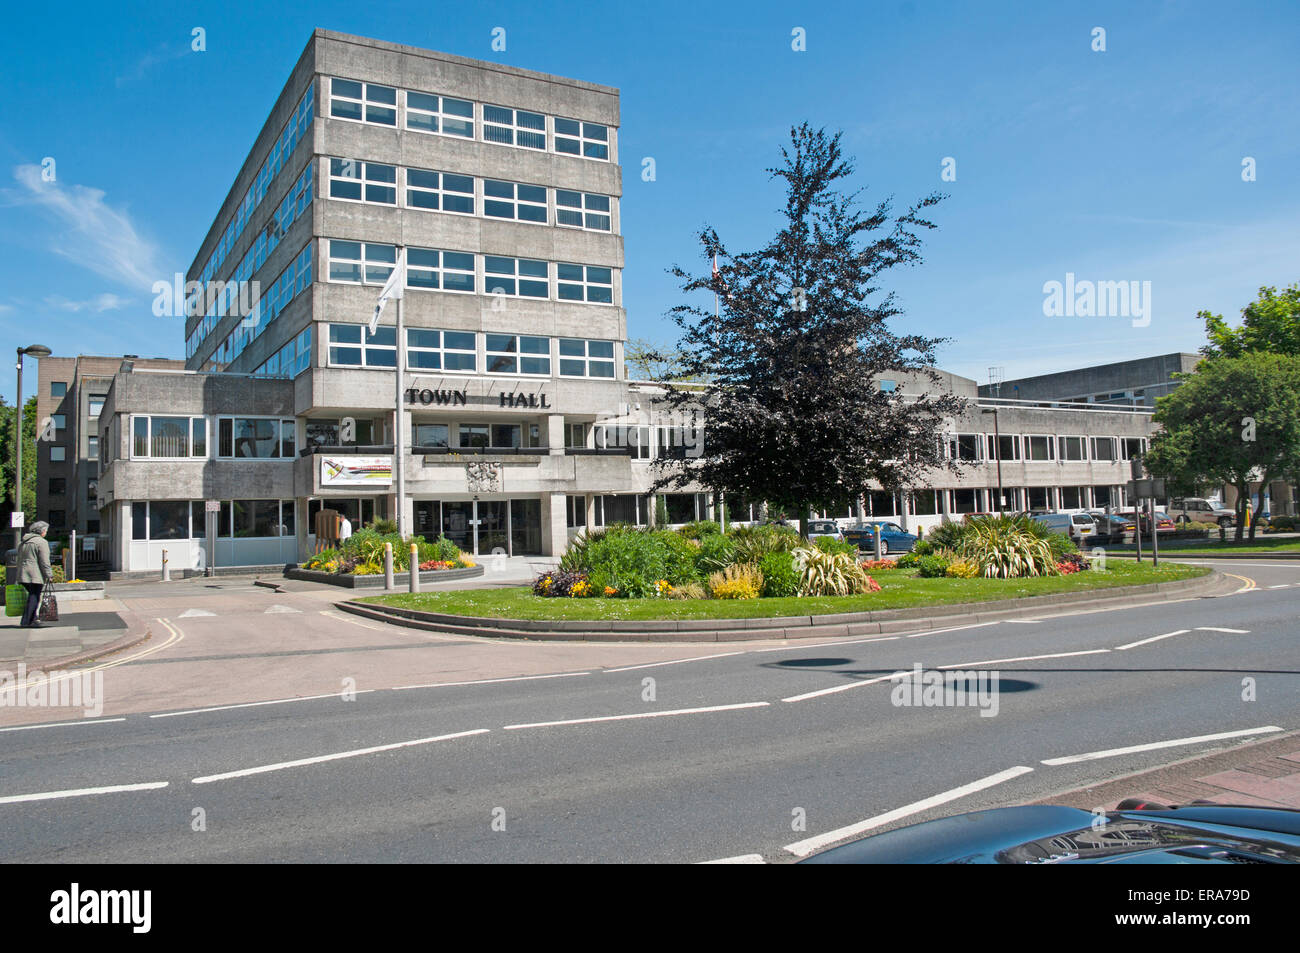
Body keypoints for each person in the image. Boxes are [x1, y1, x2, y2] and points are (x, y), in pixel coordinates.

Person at [18, 520, 54, 628]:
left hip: (23, 573)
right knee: (34, 596)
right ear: (42, 531)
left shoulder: (23, 542)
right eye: (46, 531)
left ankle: (32, 618)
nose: (46, 533)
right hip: (34, 574)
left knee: (32, 595)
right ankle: (27, 621)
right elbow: (44, 561)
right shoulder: (41, 542)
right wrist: (49, 575)